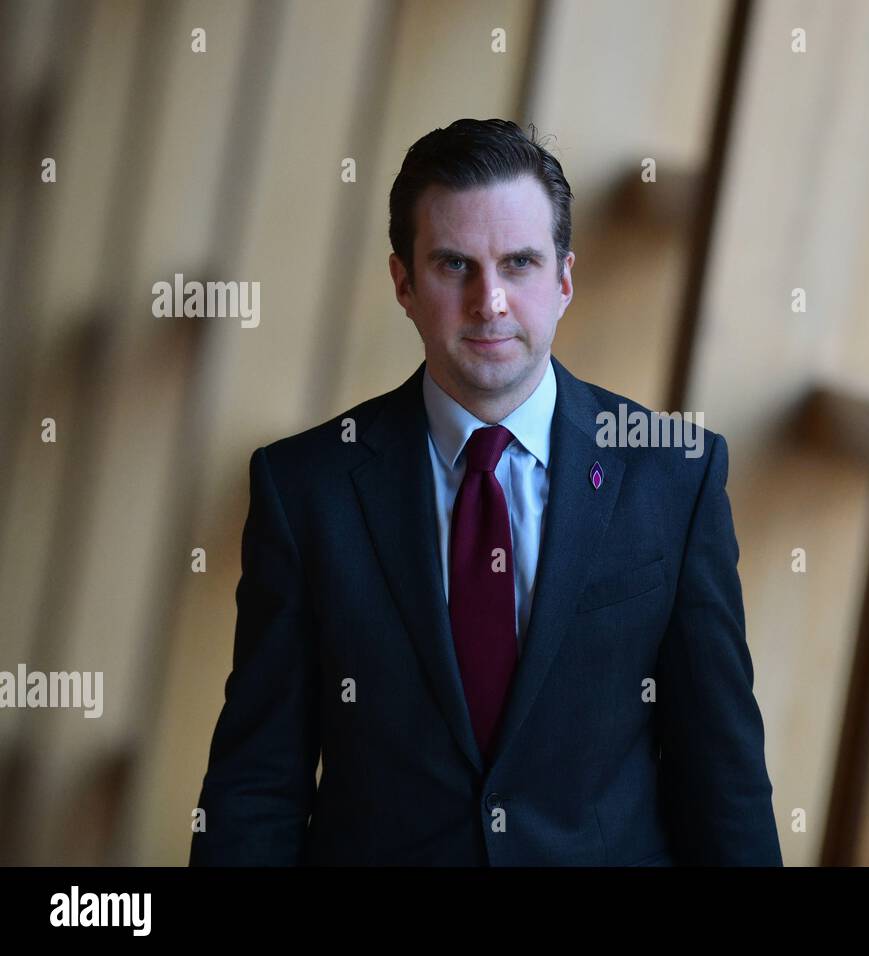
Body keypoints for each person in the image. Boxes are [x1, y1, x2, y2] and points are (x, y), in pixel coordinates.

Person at [189, 118, 782, 866]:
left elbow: (723, 781)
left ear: (564, 280)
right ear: (403, 283)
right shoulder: (306, 491)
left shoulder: (675, 477)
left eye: (520, 264)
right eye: (454, 266)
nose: (490, 301)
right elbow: (257, 787)